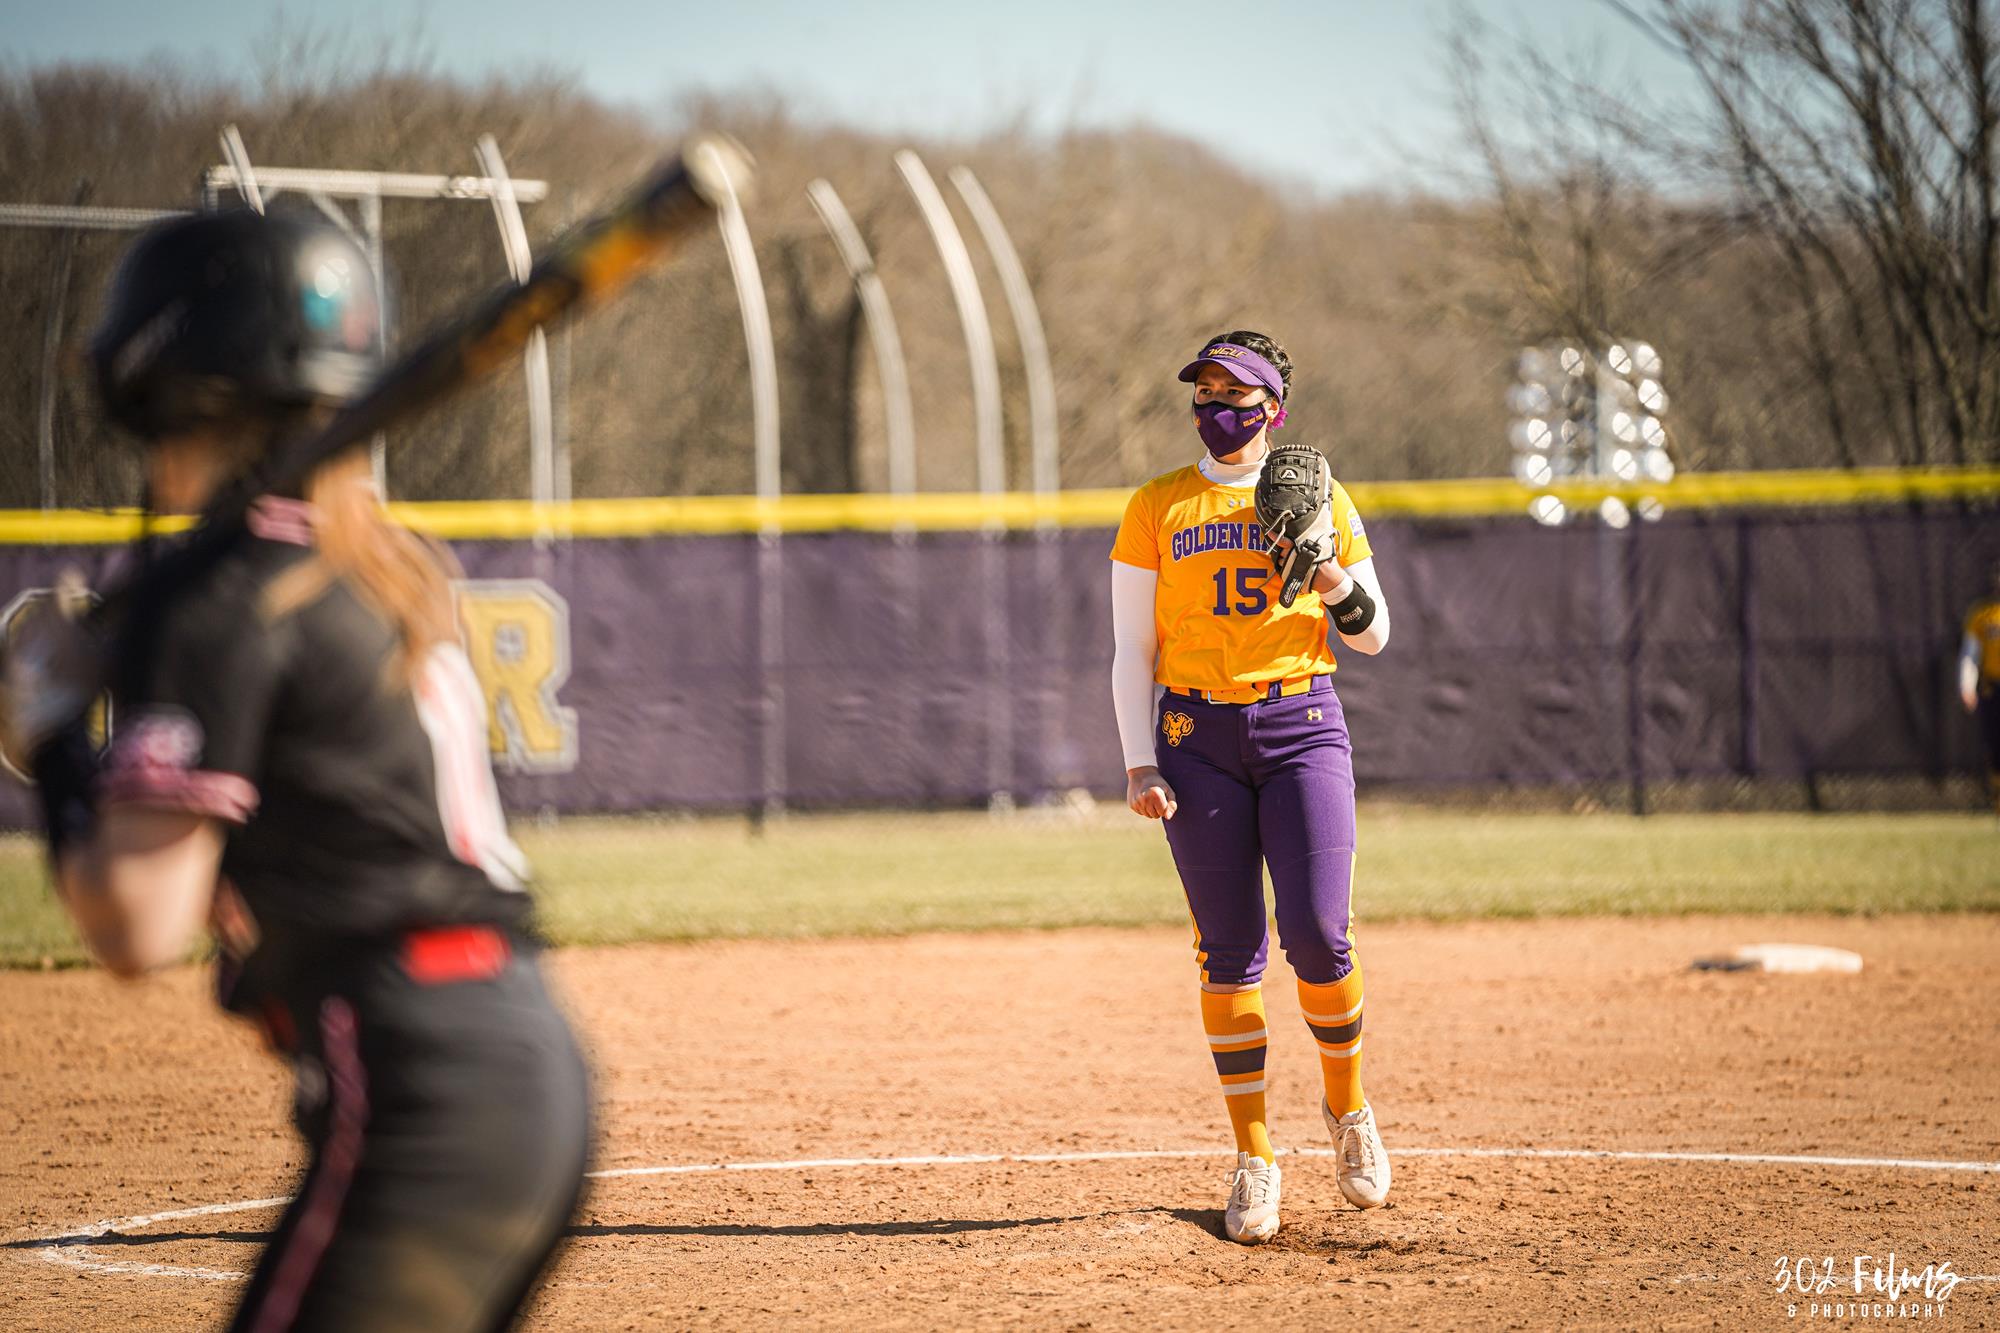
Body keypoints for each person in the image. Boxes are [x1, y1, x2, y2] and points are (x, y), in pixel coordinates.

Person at [3, 209, 592, 1331]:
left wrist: (52, 744)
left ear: (155, 374)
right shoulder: (365, 568)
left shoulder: (211, 596)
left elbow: (136, 921)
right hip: (513, 1063)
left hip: (414, 1079)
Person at [1108, 330, 1393, 1245]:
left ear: (1274, 406)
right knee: (1230, 949)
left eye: (1235, 390)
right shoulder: (1159, 504)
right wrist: (1138, 761)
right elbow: (1131, 654)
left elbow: (1375, 633)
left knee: (1316, 930)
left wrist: (1328, 564)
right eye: (1203, 387)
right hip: (1195, 737)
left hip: (1301, 721)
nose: (1214, 403)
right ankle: (1255, 1156)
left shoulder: (1322, 495)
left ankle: (1348, 1112)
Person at [1959, 563, 2000, 816]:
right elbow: (1970, 655)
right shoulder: (1982, 615)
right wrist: (1966, 685)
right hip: (1992, 689)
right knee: (1996, 745)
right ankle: (1998, 802)